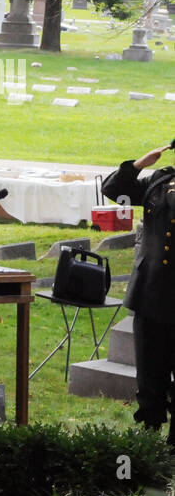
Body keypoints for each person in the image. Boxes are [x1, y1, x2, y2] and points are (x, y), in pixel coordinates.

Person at [102, 142, 175, 446]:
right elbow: (115, 189)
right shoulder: (161, 179)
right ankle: (149, 432)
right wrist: (139, 164)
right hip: (151, 290)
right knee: (149, 370)